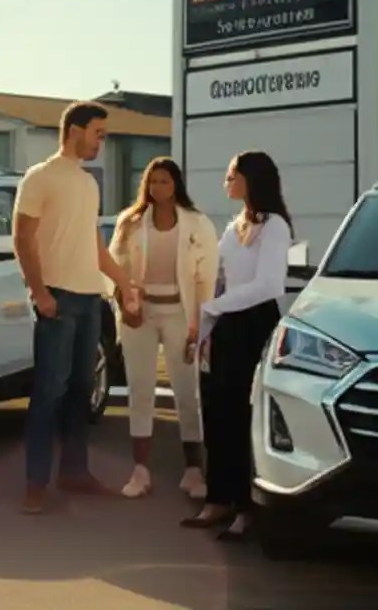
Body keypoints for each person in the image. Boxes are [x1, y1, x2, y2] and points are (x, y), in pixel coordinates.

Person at [12, 100, 141, 515]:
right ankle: (35, 484)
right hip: (58, 298)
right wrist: (39, 293)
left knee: (81, 391)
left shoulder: (88, 183)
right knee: (48, 391)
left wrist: (123, 281)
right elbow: (22, 239)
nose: (102, 141)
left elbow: (94, 246)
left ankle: (75, 472)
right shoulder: (39, 178)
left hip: (90, 300)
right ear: (76, 130)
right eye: (99, 133)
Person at [181, 150, 292, 541]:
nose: (226, 182)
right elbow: (219, 278)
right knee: (216, 413)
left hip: (254, 326)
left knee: (245, 419)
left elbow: (268, 286)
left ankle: (247, 508)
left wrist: (214, 307)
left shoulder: (274, 226)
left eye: (232, 175)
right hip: (224, 325)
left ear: (251, 178)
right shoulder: (234, 226)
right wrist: (204, 321)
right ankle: (218, 499)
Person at [107, 157, 218, 500]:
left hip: (180, 316)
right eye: (152, 181)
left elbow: (206, 280)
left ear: (176, 185)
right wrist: (124, 305)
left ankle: (193, 471)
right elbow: (114, 267)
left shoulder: (198, 224)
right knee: (140, 390)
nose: (158, 187)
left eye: (165, 181)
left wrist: (197, 327)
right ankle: (140, 471)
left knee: (187, 392)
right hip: (141, 315)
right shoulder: (131, 222)